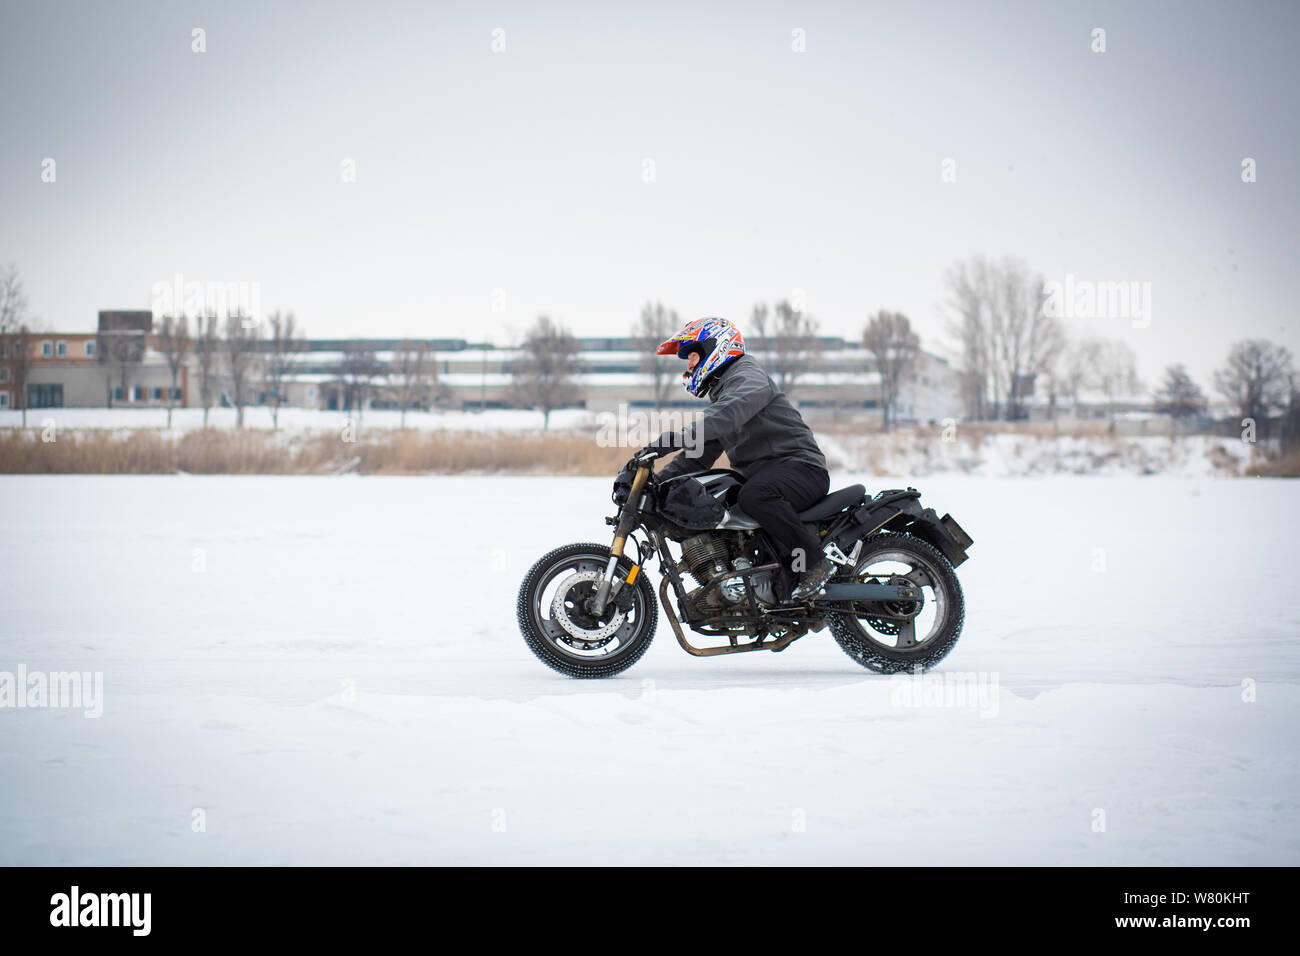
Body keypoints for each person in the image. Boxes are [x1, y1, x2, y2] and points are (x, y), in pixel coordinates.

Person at [637, 316, 838, 602]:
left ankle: (813, 565)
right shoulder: (725, 396)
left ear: (716, 347)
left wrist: (671, 439)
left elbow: (724, 417)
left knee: (755, 495)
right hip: (769, 477)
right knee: (727, 496)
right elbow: (696, 457)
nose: (689, 365)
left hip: (800, 470)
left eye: (693, 355)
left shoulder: (747, 377)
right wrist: (651, 482)